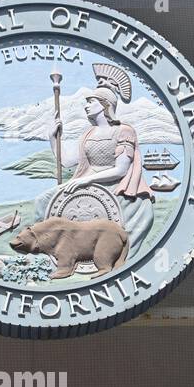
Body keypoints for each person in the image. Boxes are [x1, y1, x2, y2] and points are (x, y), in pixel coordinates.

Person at [33, 62, 155, 256]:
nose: (86, 106)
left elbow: (121, 170)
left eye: (91, 102)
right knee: (42, 201)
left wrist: (87, 179)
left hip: (111, 184)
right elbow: (66, 161)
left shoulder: (124, 131)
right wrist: (52, 138)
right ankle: (43, 248)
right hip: (84, 181)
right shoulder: (88, 134)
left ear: (105, 105)